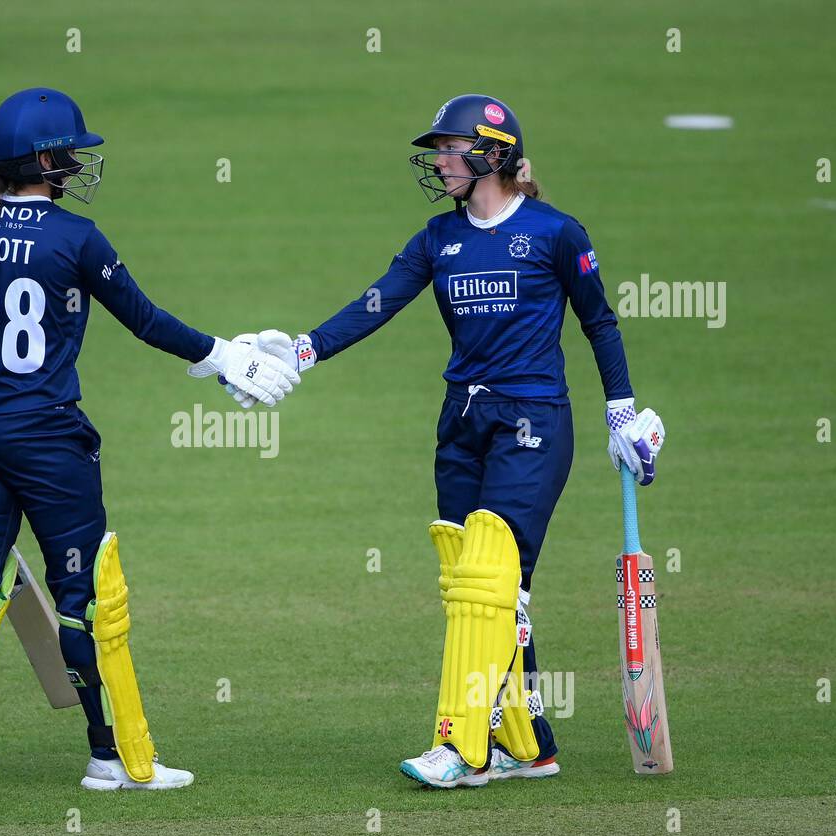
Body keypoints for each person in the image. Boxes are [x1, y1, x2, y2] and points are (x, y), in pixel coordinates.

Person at [229, 94, 665, 788]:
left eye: (449, 147)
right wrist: (301, 352)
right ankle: (529, 743)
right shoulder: (438, 238)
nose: (437, 160)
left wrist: (623, 415)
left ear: (493, 153)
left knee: (487, 587)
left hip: (533, 422)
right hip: (461, 425)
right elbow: (378, 302)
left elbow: (600, 324)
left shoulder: (556, 233)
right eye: (435, 149)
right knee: (484, 589)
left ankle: (462, 747)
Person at [0, 87, 300, 794]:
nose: (79, 161)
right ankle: (112, 760)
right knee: (84, 595)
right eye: (69, 151)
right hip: (49, 440)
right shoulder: (76, 239)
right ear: (44, 160)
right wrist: (224, 356)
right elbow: (144, 320)